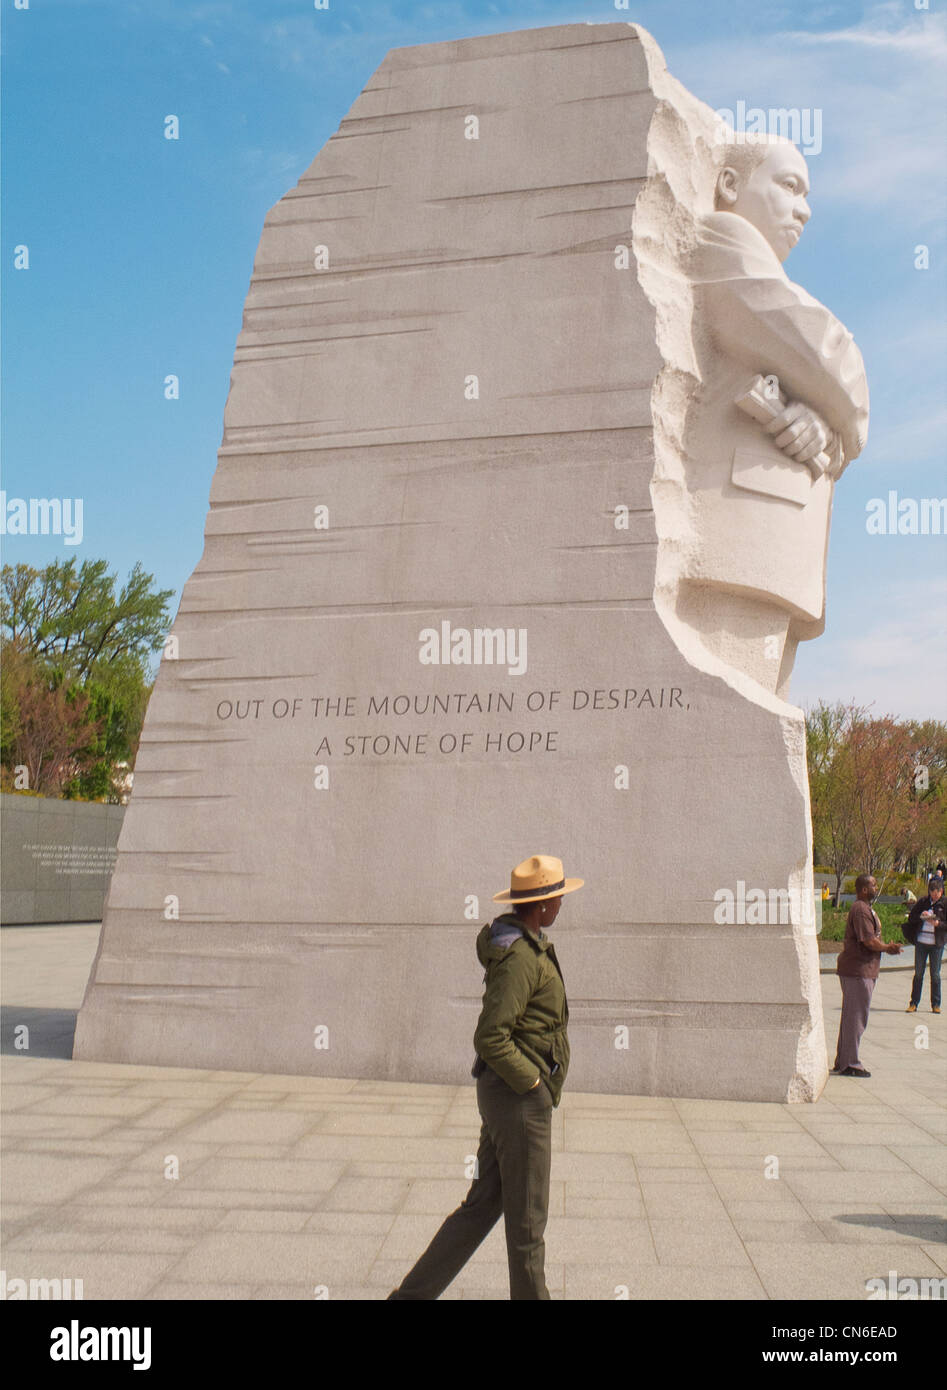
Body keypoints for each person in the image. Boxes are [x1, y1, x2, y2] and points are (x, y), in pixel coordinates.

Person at [387, 854, 582, 1300]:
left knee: (479, 1209)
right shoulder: (520, 957)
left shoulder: (520, 942)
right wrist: (533, 1084)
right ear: (542, 904)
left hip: (505, 1095)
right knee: (528, 1225)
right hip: (517, 1100)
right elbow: (491, 1036)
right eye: (557, 897)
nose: (561, 904)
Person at [832, 873, 902, 1077]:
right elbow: (868, 941)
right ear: (863, 889)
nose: (876, 887)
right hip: (858, 971)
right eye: (873, 884)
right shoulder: (861, 909)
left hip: (859, 970)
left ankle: (843, 1060)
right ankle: (850, 1064)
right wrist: (888, 948)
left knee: (851, 1016)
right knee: (856, 1017)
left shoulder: (862, 908)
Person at [905, 877, 946, 1014]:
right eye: (932, 890)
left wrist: (938, 924)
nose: (935, 893)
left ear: (942, 891)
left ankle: (936, 1004)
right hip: (922, 942)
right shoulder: (923, 902)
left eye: (938, 891)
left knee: (935, 974)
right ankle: (914, 1003)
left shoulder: (944, 903)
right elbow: (911, 917)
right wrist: (921, 916)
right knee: (918, 973)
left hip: (936, 944)